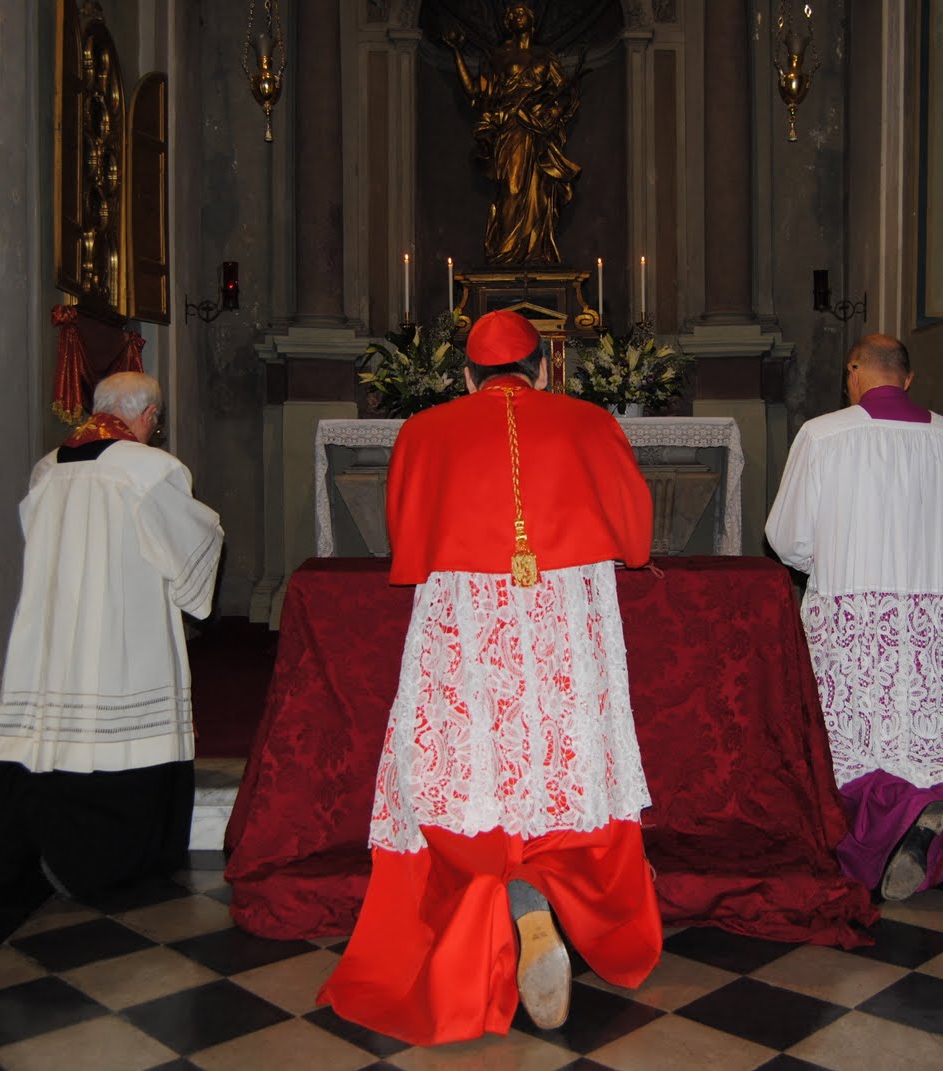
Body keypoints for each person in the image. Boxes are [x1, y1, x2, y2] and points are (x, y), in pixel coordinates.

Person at [318, 309, 660, 1044]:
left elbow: (407, 541)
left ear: (465, 376)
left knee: (471, 759)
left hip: (467, 618)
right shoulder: (589, 422)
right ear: (542, 368)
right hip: (568, 616)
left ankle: (499, 886)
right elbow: (637, 534)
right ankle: (545, 886)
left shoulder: (424, 431)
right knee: (562, 751)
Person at [0, 371, 222, 906]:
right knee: (119, 725)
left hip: (55, 623)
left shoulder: (48, 467)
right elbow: (190, 544)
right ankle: (113, 854)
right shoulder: (153, 470)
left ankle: (36, 845)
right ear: (149, 416)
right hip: (122, 624)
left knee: (50, 728)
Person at [764, 334, 943, 901]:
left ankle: (907, 817)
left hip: (855, 620)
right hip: (940, 621)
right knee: (939, 741)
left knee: (860, 743)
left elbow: (786, 538)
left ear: (854, 373)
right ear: (907, 379)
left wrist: (824, 562)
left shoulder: (822, 436)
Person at [446, 2, 582, 266]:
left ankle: (536, 251)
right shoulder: (499, 57)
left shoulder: (545, 57)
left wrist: (553, 113)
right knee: (512, 187)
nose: (516, 17)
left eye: (521, 13)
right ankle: (506, 252)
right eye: (512, 14)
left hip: (539, 134)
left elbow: (565, 94)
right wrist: (456, 54)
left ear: (532, 20)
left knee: (539, 192)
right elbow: (475, 92)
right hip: (510, 129)